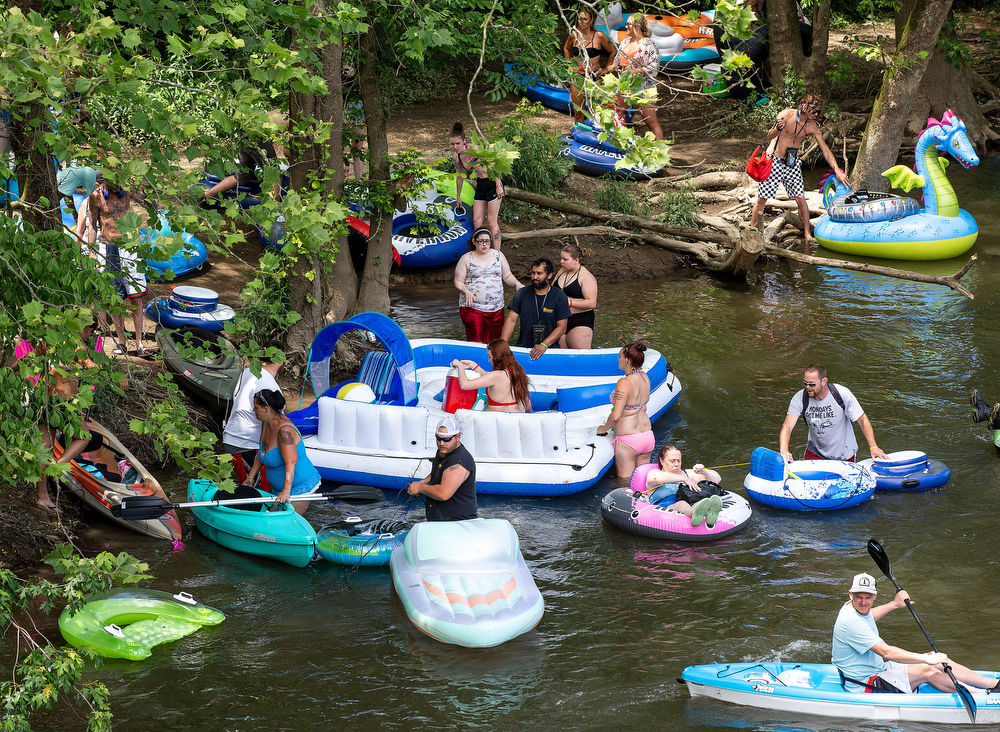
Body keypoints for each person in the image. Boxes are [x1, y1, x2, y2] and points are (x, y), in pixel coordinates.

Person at [832, 572, 1000, 695]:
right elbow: (886, 652)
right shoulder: (852, 623)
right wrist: (924, 659)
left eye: (867, 597)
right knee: (927, 669)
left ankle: (994, 683)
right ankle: (983, 694)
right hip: (865, 685)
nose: (863, 602)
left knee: (935, 657)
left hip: (878, 669)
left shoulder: (853, 608)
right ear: (850, 594)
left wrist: (894, 604)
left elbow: (869, 616)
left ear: (874, 596)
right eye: (859, 597)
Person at [750, 95, 849, 241]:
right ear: (804, 107)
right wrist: (777, 129)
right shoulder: (786, 115)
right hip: (774, 160)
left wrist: (837, 171)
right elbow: (769, 136)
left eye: (818, 111)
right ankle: (752, 231)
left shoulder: (812, 126)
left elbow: (825, 149)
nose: (816, 114)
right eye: (814, 111)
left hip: (792, 162)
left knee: (801, 199)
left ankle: (807, 234)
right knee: (762, 199)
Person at [87, 174, 147, 357]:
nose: (115, 184)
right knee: (115, 298)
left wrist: (140, 183)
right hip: (108, 248)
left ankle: (139, 342)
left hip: (130, 246)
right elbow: (92, 225)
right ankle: (122, 342)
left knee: (136, 297)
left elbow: (150, 202)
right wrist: (91, 253)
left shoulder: (127, 191)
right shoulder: (96, 196)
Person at [778, 364, 888, 463]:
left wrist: (873, 447)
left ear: (824, 381)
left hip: (844, 454)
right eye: (805, 383)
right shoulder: (800, 398)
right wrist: (784, 450)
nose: (807, 387)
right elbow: (787, 426)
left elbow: (862, 419)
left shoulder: (841, 394)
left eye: (812, 384)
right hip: (815, 453)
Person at [245, 389, 321, 515]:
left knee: (288, 522)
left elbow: (291, 462)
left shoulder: (284, 431)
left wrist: (286, 490)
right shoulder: (266, 424)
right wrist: (250, 477)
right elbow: (262, 453)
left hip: (299, 487)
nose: (253, 410)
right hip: (279, 488)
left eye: (256, 407)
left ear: (266, 409)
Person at [221, 348, 284, 486]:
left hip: (235, 437)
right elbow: (274, 423)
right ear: (281, 360)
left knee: (255, 488)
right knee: (256, 491)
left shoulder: (250, 370)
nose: (254, 409)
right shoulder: (270, 386)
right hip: (245, 443)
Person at [454, 227, 523, 344]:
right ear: (474, 241)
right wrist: (466, 291)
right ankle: (475, 357)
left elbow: (507, 276)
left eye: (487, 241)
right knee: (476, 342)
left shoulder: (499, 255)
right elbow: (458, 281)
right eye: (481, 241)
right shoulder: (466, 258)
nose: (484, 244)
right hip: (473, 307)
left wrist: (517, 283)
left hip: (496, 308)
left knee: (495, 343)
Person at [598, 343, 653, 479]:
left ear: (626, 360)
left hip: (629, 440)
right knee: (642, 480)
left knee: (625, 482)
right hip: (647, 436)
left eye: (619, 356)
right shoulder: (644, 377)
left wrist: (603, 429)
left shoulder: (624, 382)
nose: (618, 359)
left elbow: (616, 416)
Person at [407, 416, 478, 521]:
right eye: (438, 438)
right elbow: (438, 473)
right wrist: (422, 482)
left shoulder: (459, 461)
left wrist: (420, 488)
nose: (442, 443)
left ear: (457, 437)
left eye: (446, 439)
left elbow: (444, 493)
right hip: (440, 520)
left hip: (457, 521)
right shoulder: (444, 450)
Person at [638, 444, 724, 528]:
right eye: (672, 461)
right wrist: (684, 479)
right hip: (668, 505)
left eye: (678, 461)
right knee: (681, 504)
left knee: (701, 502)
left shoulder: (687, 473)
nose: (676, 464)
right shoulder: (655, 473)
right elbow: (655, 478)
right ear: (662, 461)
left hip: (690, 502)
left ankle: (708, 511)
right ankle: (693, 512)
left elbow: (717, 479)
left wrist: (704, 471)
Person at [500, 258, 570, 360]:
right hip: (523, 348)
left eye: (539, 273)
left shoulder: (559, 296)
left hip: (549, 349)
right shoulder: (522, 294)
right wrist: (503, 343)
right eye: (533, 273)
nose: (535, 277)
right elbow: (511, 320)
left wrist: (544, 345)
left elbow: (562, 327)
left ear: (549, 275)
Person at [449, 121, 504, 249]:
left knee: (491, 221)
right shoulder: (456, 157)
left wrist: (498, 185)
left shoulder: (475, 149)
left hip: (492, 182)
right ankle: (478, 250)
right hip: (480, 184)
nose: (455, 146)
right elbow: (459, 176)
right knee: (476, 221)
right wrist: (458, 196)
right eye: (452, 144)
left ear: (464, 141)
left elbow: (493, 164)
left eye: (458, 143)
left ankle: (497, 253)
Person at [610, 14, 663, 140]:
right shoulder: (625, 42)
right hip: (625, 85)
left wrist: (636, 71)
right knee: (614, 113)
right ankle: (614, 144)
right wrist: (612, 66)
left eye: (628, 24)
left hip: (643, 88)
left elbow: (655, 66)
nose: (625, 26)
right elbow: (618, 59)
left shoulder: (648, 44)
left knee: (651, 123)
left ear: (637, 26)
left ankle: (660, 149)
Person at [562, 7, 616, 125]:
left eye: (585, 19)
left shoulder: (599, 35)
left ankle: (595, 134)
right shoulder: (574, 35)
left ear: (591, 21)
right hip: (577, 77)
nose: (581, 21)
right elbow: (566, 48)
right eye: (579, 18)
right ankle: (579, 133)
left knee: (595, 113)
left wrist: (606, 68)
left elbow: (613, 51)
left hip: (594, 77)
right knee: (578, 113)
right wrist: (569, 65)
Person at [450, 339, 532, 413]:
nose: (489, 360)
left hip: (495, 419)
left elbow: (464, 385)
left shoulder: (496, 375)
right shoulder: (515, 371)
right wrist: (473, 365)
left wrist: (460, 366)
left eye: (489, 357)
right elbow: (492, 379)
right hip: (515, 415)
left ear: (497, 357)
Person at [552, 243, 598, 349]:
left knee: (580, 355)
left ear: (576, 260)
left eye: (565, 259)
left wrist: (569, 302)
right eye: (561, 258)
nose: (561, 261)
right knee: (561, 355)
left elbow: (592, 303)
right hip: (559, 319)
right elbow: (552, 291)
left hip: (579, 321)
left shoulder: (586, 277)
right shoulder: (561, 271)